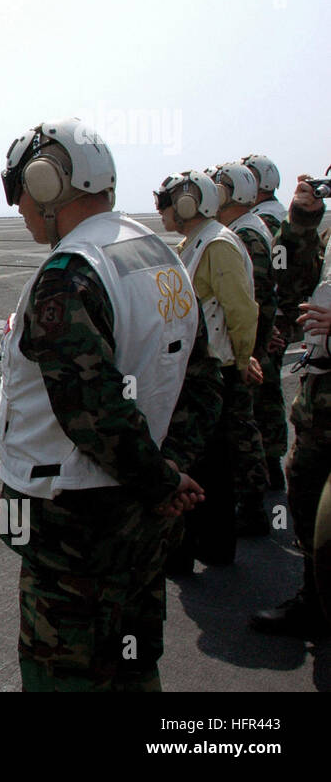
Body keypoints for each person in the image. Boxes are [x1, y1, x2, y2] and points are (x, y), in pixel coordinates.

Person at [0, 119, 212, 691]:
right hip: (146, 514)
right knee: (133, 665)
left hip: (76, 520)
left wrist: (163, 481)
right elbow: (204, 379)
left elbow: (94, 413)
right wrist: (172, 474)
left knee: (62, 672)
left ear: (45, 186)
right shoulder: (160, 255)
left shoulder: (70, 275)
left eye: (18, 190)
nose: (17, 207)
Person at [155, 170, 263, 567]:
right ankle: (199, 546)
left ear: (186, 204)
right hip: (200, 371)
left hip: (214, 374)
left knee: (211, 465)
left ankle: (208, 548)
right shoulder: (195, 243)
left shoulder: (217, 245)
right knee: (204, 462)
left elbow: (240, 310)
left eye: (166, 202)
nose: (162, 211)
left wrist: (240, 361)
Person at [252, 173, 331, 637]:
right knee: (306, 496)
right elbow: (295, 284)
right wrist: (302, 220)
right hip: (321, 402)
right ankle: (316, 600)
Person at [210, 163, 276, 535]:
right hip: (248, 344)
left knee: (240, 426)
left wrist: (248, 351)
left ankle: (252, 504)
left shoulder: (245, 234)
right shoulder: (246, 229)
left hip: (245, 348)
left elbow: (252, 301)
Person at [240, 154, 290, 492]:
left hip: (272, 321)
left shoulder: (260, 223)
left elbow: (270, 280)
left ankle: (263, 475)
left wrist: (270, 324)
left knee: (259, 401)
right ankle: (271, 466)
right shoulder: (278, 216)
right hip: (280, 319)